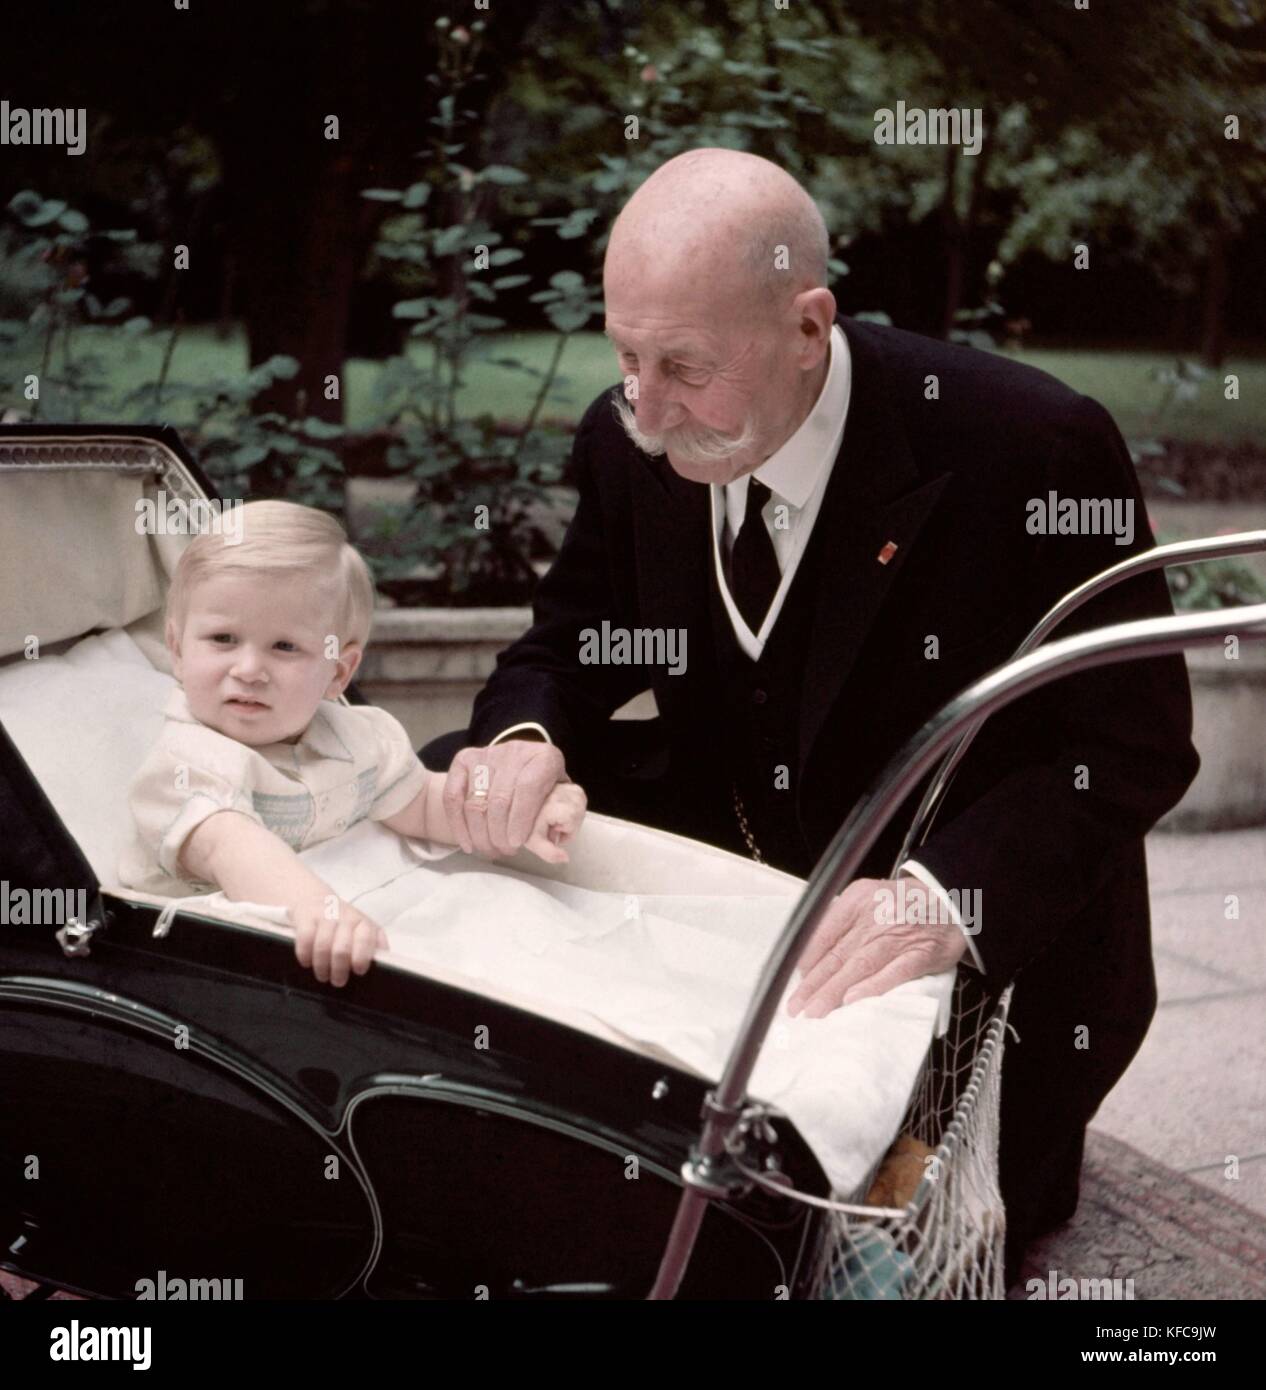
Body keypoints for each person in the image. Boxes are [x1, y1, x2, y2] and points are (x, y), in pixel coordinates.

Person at [424, 147, 1200, 1287]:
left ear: (807, 324)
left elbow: (1133, 743)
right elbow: (573, 641)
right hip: (739, 897)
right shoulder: (627, 434)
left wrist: (945, 897)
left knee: (864, 1240)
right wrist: (525, 742)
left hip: (982, 951)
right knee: (568, 1132)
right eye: (624, 356)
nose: (643, 405)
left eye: (682, 365)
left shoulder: (1029, 446)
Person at [118, 500, 586, 987]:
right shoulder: (184, 766)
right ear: (176, 649)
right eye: (222, 638)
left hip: (354, 919)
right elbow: (233, 846)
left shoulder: (358, 736)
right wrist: (318, 912)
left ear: (338, 671)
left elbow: (423, 806)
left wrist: (507, 813)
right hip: (208, 964)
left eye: (284, 647)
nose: (249, 669)